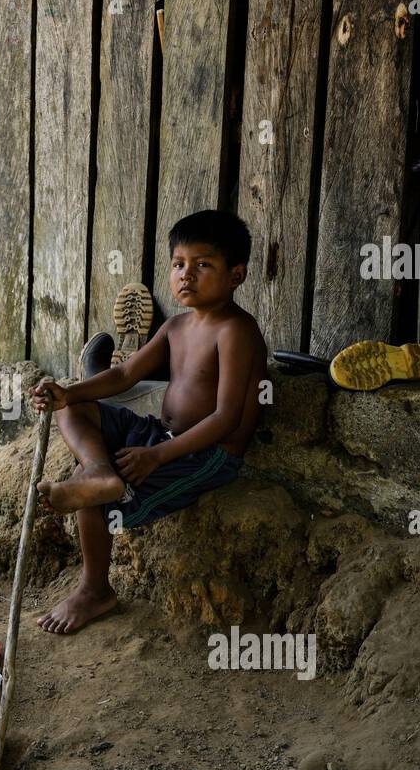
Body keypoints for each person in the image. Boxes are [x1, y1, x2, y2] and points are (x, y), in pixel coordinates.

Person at [30, 210, 268, 634]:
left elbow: (226, 418)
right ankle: (101, 469)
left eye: (202, 265)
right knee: (75, 409)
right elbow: (123, 375)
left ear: (236, 274)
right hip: (162, 436)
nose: (186, 276)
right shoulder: (175, 326)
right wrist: (69, 392)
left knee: (91, 497)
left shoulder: (236, 331)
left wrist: (157, 455)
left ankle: (95, 591)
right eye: (178, 265)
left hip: (207, 454)